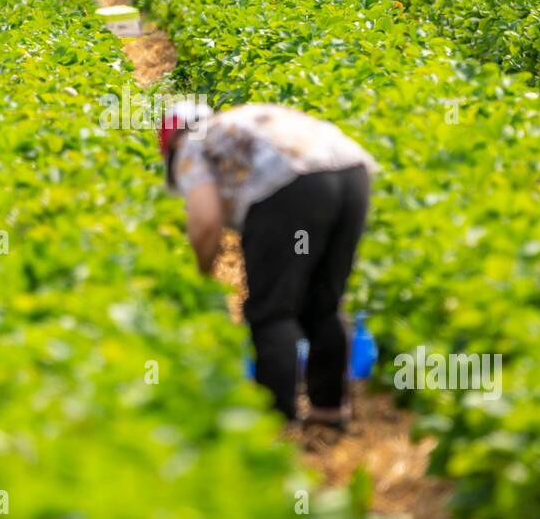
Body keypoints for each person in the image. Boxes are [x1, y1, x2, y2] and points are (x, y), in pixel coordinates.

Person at [158, 101, 381, 432]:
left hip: (293, 185)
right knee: (324, 302)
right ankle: (329, 411)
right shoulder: (243, 120)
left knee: (272, 310)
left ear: (171, 143)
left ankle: (278, 421)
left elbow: (205, 223)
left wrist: (202, 274)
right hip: (352, 173)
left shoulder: (191, 144)